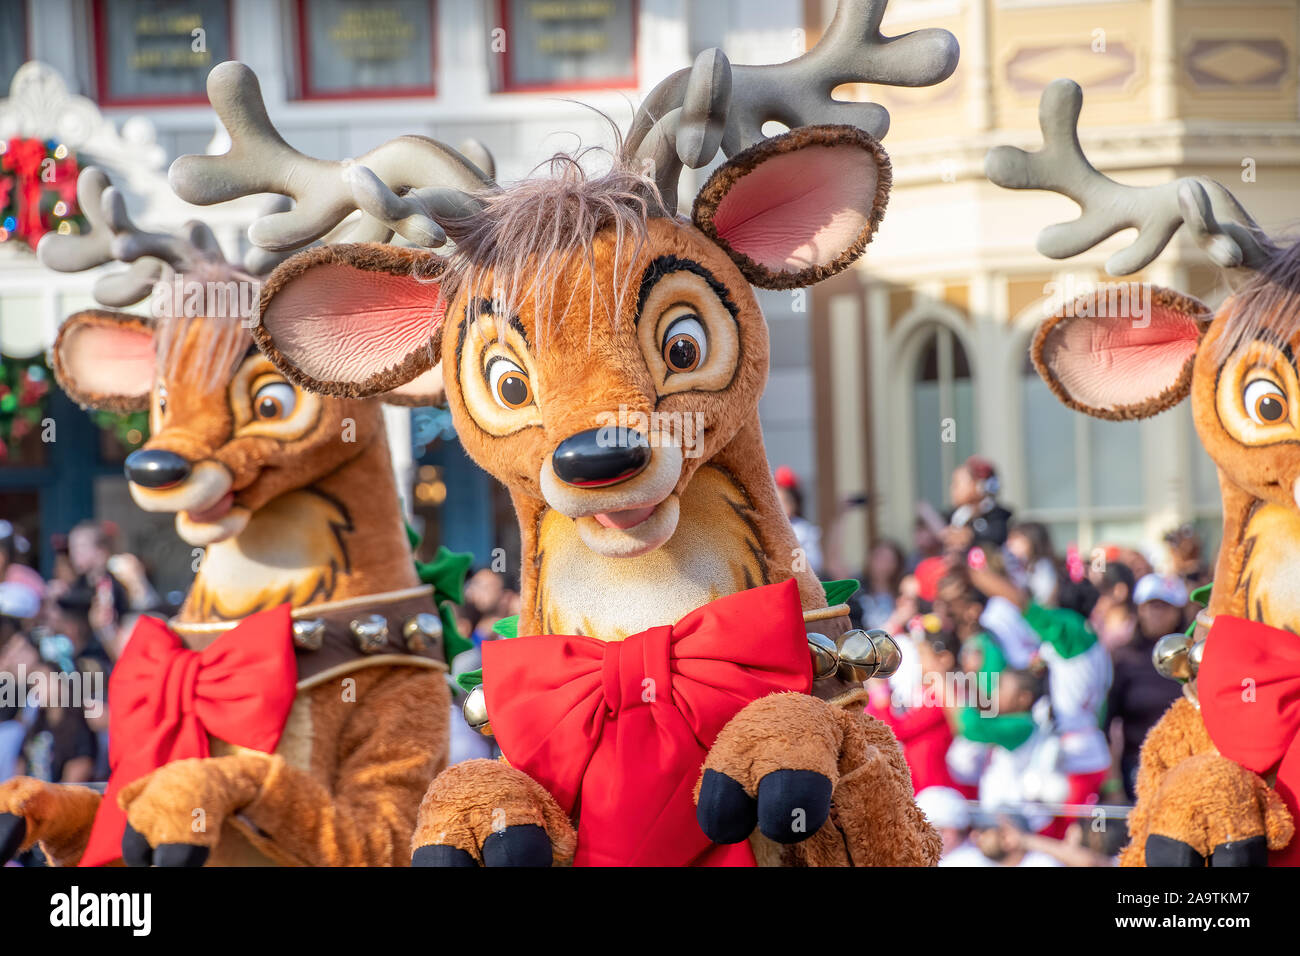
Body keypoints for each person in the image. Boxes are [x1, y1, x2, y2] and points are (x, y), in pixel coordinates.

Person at [1107, 574, 1188, 801]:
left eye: (1165, 607)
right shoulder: (1123, 659)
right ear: (1139, 610)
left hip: (1186, 767)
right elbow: (1106, 725)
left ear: (1178, 612)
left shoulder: (1193, 660)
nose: (1157, 613)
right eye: (1151, 606)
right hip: (1137, 769)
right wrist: (1112, 783)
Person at [946, 456, 1013, 551]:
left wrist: (971, 536)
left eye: (957, 484)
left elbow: (997, 538)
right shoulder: (953, 516)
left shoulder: (999, 517)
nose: (952, 489)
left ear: (979, 486)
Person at [774, 466, 823, 576]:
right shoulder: (768, 528)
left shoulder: (804, 529)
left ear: (795, 502)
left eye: (785, 501)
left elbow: (816, 562)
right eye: (777, 501)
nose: (781, 506)